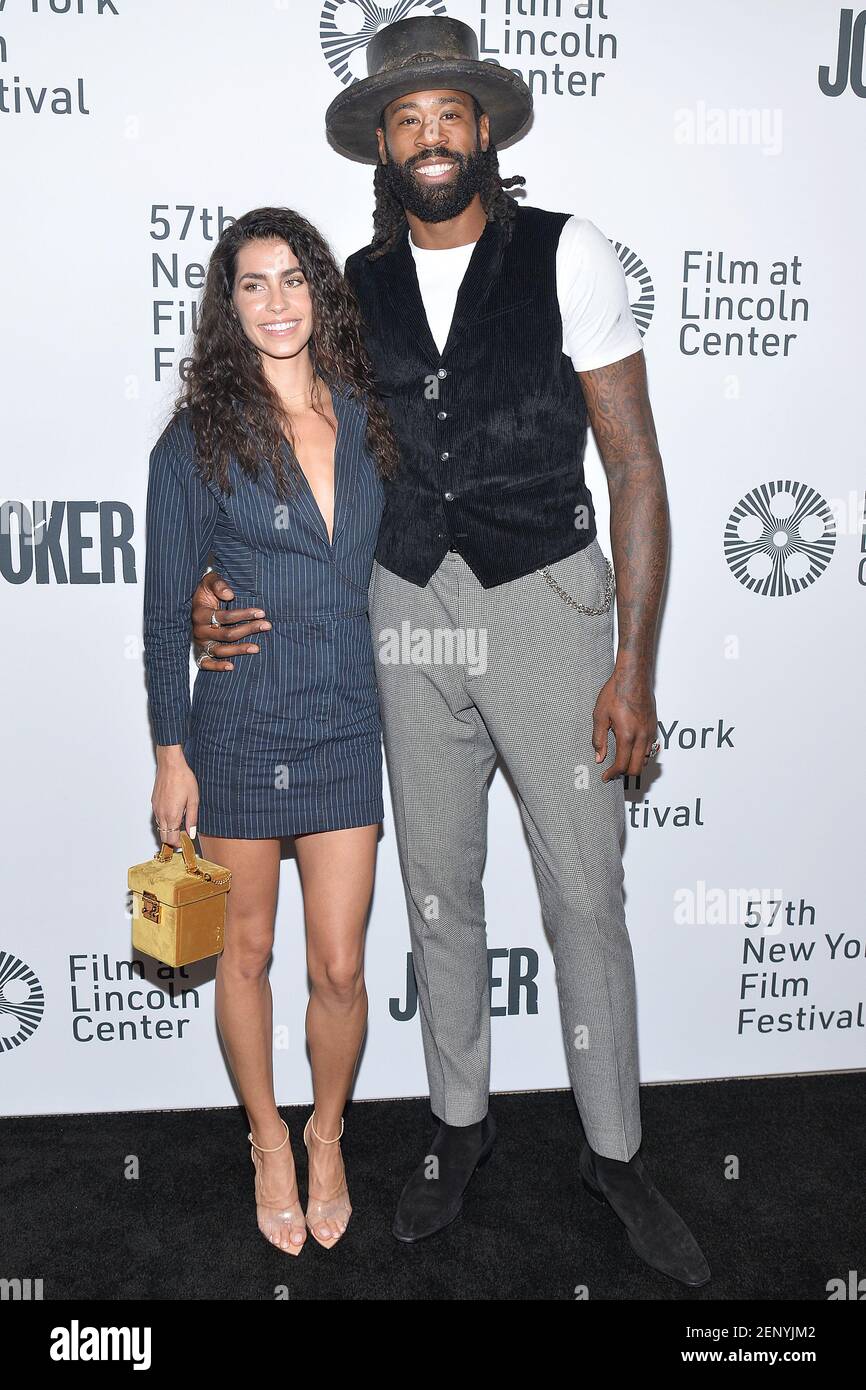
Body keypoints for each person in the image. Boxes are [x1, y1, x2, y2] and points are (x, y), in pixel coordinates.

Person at [185, 17, 711, 1287]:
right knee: (435, 892)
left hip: (544, 598)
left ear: (484, 133)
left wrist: (632, 666)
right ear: (380, 142)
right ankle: (456, 1125)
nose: (428, 138)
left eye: (448, 117)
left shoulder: (566, 255)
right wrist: (209, 583)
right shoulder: (346, 289)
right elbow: (269, 453)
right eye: (404, 120)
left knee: (583, 893)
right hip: (407, 608)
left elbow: (634, 465)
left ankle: (614, 1149)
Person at [142, 206, 398, 1256]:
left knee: (337, 966)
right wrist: (170, 753)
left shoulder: (370, 418)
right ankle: (264, 1139)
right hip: (240, 726)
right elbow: (167, 611)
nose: (276, 301)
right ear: (227, 304)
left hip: (345, 722)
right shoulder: (194, 440)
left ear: (320, 293)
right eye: (252, 283)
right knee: (241, 953)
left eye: (293, 279)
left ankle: (326, 1133)